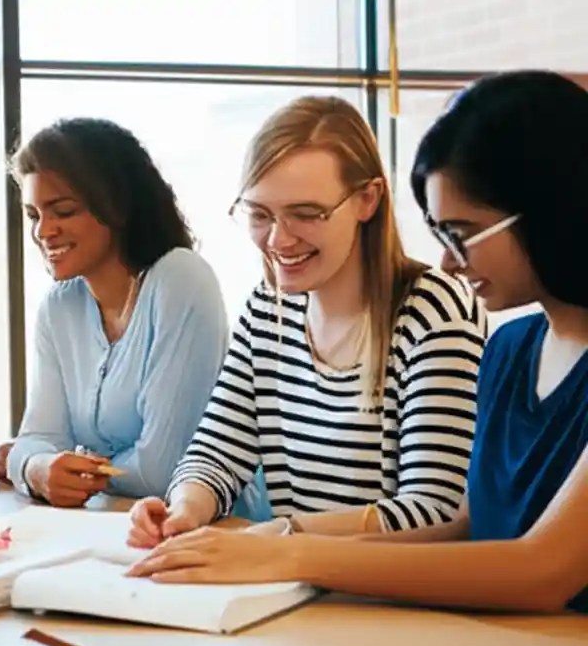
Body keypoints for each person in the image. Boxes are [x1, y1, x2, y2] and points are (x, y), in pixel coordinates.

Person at [126, 71, 588, 614]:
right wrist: (260, 542)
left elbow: (542, 570)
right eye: (440, 234)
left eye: (461, 234)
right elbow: (469, 530)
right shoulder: (511, 349)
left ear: (549, 210)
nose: (447, 259)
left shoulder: (436, 313)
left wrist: (291, 552)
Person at [129, 96, 486, 539]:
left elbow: (435, 510)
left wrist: (279, 538)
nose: (278, 239)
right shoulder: (267, 310)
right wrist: (182, 509)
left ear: (367, 200)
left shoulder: (433, 313)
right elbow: (216, 453)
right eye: (260, 214)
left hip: (391, 595)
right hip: (300, 583)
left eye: (305, 214)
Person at [0, 118, 229, 507]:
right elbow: (37, 438)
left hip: (211, 533)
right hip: (112, 529)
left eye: (63, 211)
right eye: (34, 215)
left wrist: (56, 464)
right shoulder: (59, 307)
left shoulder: (180, 280)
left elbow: (163, 470)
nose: (42, 232)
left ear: (116, 205)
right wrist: (35, 468)